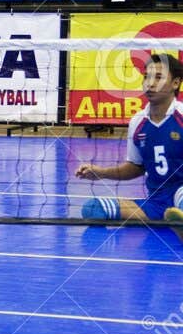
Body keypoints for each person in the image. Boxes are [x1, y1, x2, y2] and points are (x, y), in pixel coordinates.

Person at [76, 52, 183, 223]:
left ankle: (178, 215)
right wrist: (101, 173)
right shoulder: (138, 122)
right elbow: (136, 167)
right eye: (147, 77)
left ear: (175, 83)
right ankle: (174, 220)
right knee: (92, 208)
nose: (150, 83)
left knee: (180, 195)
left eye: (158, 78)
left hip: (181, 193)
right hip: (156, 203)